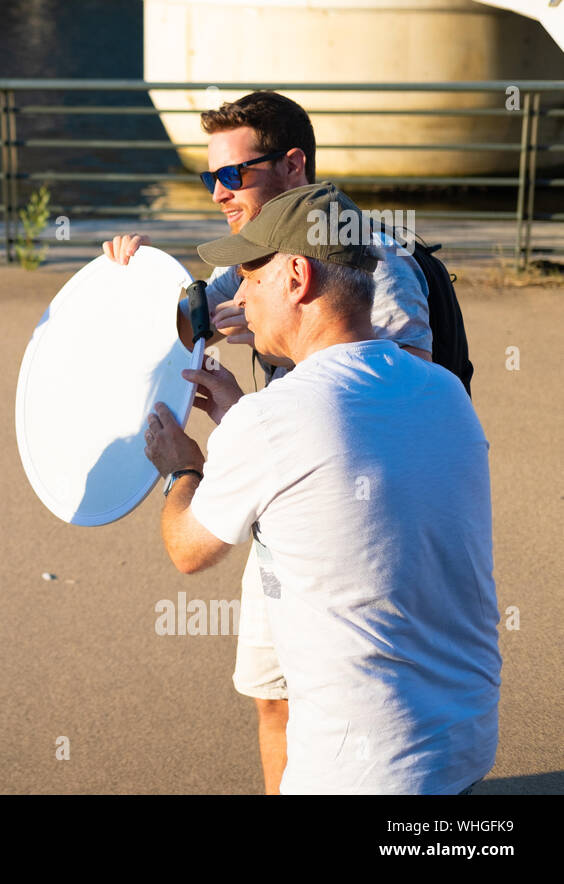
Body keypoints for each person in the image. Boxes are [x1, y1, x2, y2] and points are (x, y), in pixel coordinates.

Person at [102, 91, 433, 794]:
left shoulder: (377, 262)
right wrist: (130, 282)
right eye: (209, 178)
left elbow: (412, 400)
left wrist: (278, 350)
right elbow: (190, 316)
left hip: (358, 521)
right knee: (273, 693)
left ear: (293, 164)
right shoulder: (252, 249)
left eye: (235, 175)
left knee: (351, 700)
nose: (220, 194)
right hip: (278, 493)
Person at [141, 182, 500, 794]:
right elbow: (336, 473)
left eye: (252, 278)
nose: (243, 299)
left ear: (297, 278)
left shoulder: (277, 418)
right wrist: (237, 418)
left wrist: (183, 467)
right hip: (463, 747)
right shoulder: (442, 389)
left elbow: (188, 549)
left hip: (360, 771)